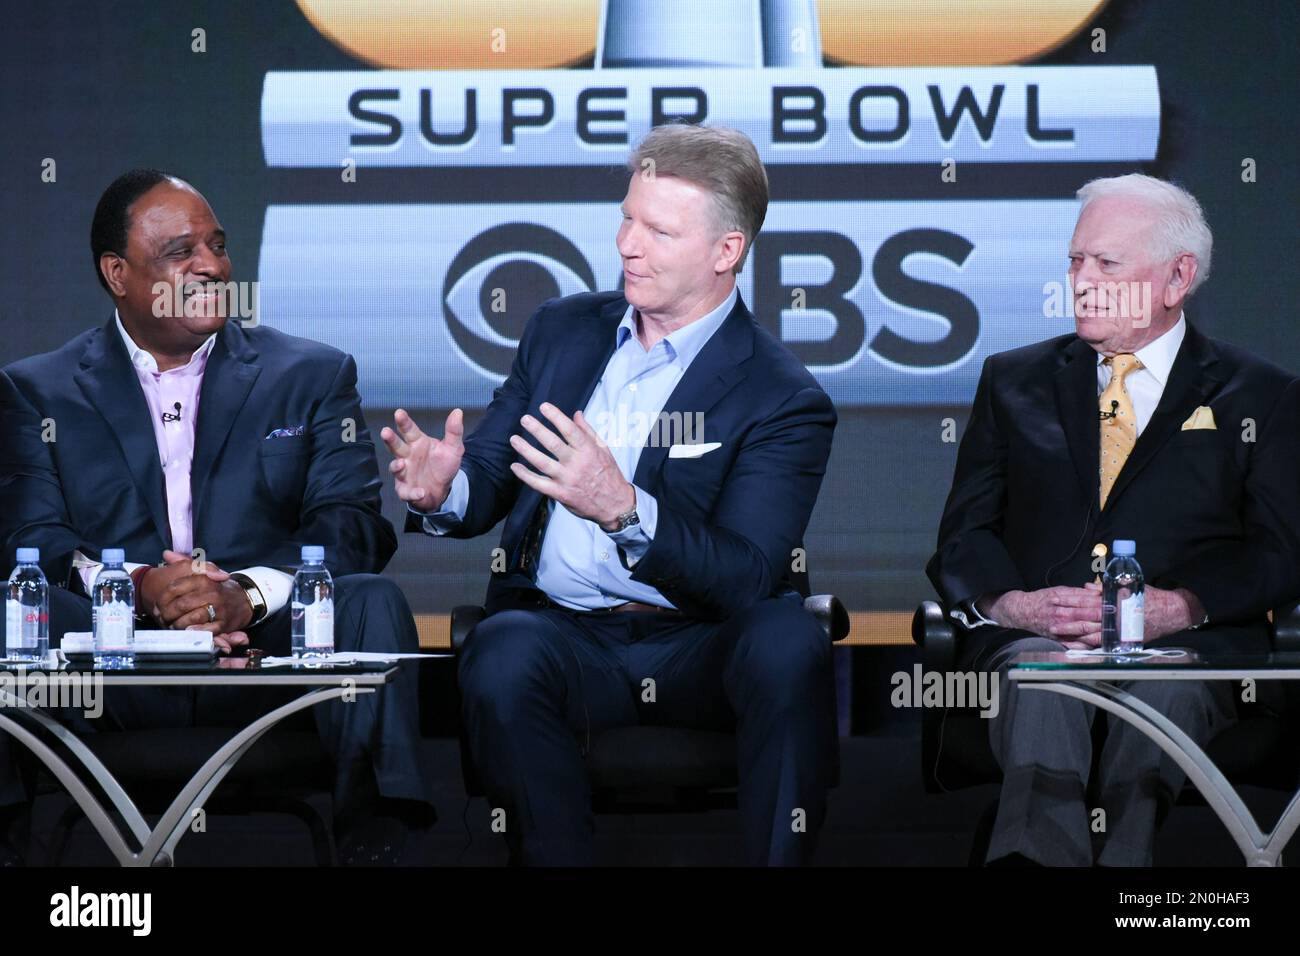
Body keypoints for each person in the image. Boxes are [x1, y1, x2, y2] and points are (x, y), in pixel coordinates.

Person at [384, 124, 838, 865]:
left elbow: (747, 576)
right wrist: (446, 491)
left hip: (700, 648)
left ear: (727, 252)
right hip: (568, 638)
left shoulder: (782, 396)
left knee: (787, 641)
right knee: (502, 650)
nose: (627, 244)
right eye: (627, 217)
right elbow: (494, 471)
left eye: (658, 230)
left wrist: (623, 510)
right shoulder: (563, 331)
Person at [0, 169, 435, 864]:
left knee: (371, 602)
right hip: (112, 674)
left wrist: (245, 594)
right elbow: (33, 539)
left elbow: (352, 524)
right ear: (118, 273)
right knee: (9, 605)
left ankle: (376, 848)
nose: (211, 266)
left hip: (268, 665)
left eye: (218, 245)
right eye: (181, 251)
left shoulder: (311, 375)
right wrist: (138, 588)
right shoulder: (37, 390)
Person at [927, 173, 1300, 865]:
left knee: (1168, 692)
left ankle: (1129, 877)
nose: (1082, 281)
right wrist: (1017, 604)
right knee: (1046, 676)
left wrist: (1182, 605)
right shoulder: (1015, 382)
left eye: (1107, 263)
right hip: (1039, 643)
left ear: (1175, 277)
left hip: (1191, 650)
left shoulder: (1261, 395)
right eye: (1075, 261)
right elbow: (963, 536)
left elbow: (1282, 554)